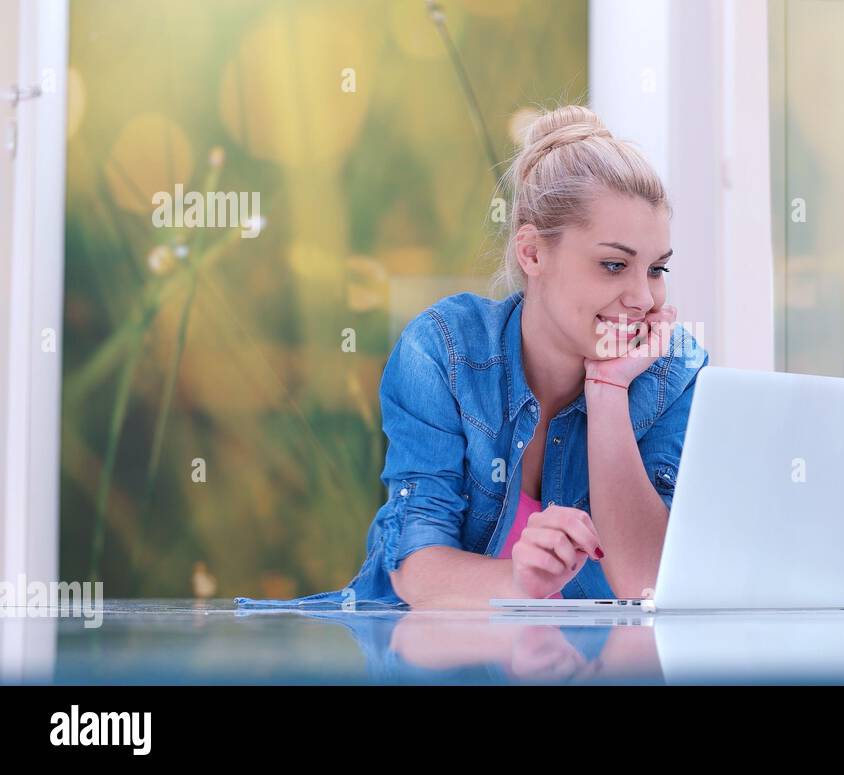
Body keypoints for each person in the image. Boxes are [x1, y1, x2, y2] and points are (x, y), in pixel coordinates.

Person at [235, 104, 708, 610]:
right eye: (613, 265)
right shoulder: (444, 352)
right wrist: (521, 583)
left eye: (657, 269)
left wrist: (610, 392)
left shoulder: (670, 373)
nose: (642, 297)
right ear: (531, 254)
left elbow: (647, 583)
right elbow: (415, 570)